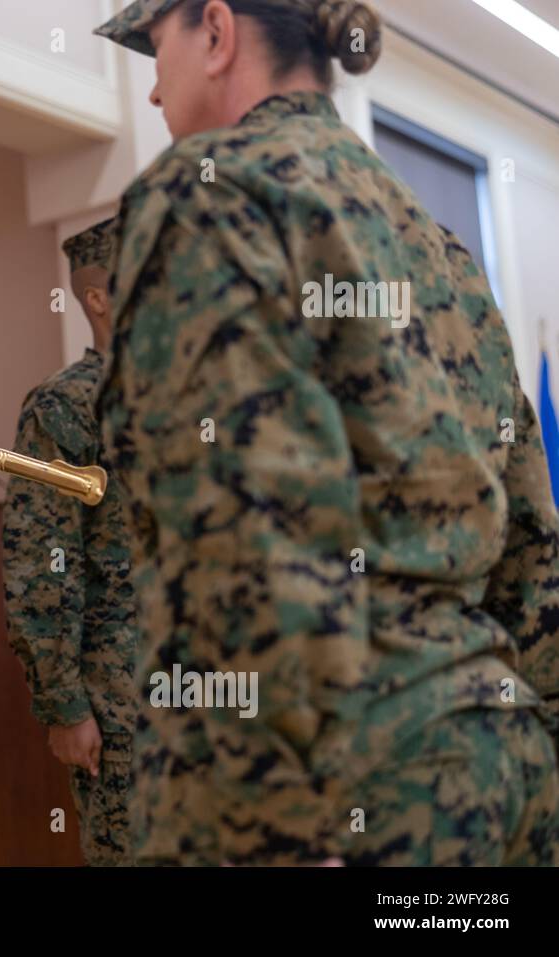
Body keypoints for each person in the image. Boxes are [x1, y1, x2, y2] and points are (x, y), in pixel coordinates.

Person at [94, 0, 559, 865]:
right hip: (496, 769)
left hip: (332, 790)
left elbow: (247, 533)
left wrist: (276, 825)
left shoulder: (211, 191)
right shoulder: (442, 247)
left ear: (218, 33)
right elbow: (532, 544)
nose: (152, 91)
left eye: (156, 49)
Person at [2, 220, 137, 866]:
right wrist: (63, 702)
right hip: (123, 702)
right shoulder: (64, 407)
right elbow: (41, 561)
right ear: (99, 299)